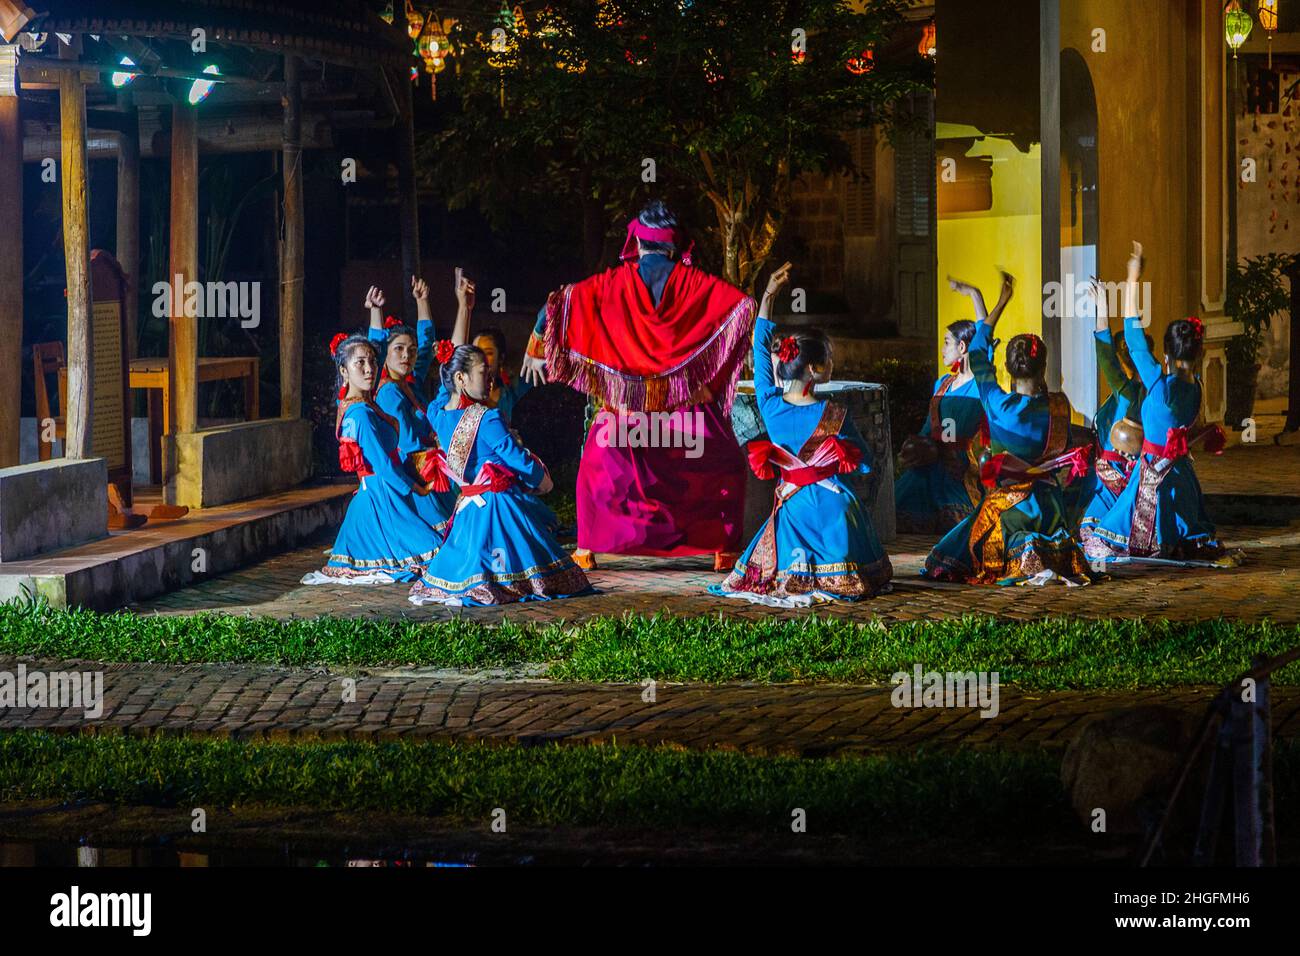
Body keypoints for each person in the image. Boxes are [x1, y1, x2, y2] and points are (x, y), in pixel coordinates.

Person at [520, 199, 756, 572]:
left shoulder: (613, 283)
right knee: (722, 462)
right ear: (674, 246)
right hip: (684, 412)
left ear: (637, 242)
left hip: (626, 413)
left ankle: (588, 547)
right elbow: (743, 308)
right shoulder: (694, 283)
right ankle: (722, 548)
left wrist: (536, 345)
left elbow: (558, 304)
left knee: (598, 468)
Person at [709, 263, 892, 605]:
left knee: (781, 533)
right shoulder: (835, 414)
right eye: (829, 360)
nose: (833, 364)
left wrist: (769, 294)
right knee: (850, 516)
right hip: (836, 510)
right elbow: (864, 461)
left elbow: (760, 346)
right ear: (813, 369)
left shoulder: (770, 404)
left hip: (793, 509)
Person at [922, 272, 1093, 586]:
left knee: (951, 552)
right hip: (1049, 505)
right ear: (1043, 367)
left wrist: (1001, 302)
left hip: (1007, 504)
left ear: (1009, 369)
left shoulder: (996, 402)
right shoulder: (1057, 406)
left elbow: (976, 352)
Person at [1081, 243, 1233, 565]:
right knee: (1181, 530)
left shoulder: (1160, 388)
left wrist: (1133, 277)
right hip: (1181, 474)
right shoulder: (1196, 389)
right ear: (1200, 353)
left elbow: (1134, 335)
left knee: (1106, 540)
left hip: (1151, 473)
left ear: (1164, 356)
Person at [408, 345, 592, 606]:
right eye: (483, 372)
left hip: (467, 510)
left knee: (473, 561)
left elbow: (443, 391)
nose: (491, 379)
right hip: (499, 505)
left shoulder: (437, 414)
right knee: (530, 565)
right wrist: (543, 481)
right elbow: (518, 459)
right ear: (461, 378)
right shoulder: (487, 418)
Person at [302, 334, 444, 585]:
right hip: (383, 495)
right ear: (344, 371)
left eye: (372, 362)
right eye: (360, 363)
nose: (369, 369)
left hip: (382, 490)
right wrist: (418, 487)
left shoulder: (360, 405)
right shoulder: (361, 414)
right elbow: (384, 466)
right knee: (435, 553)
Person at [364, 274, 474, 536]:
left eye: (410, 351)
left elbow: (427, 347)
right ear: (386, 355)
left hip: (431, 465)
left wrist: (423, 301)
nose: (407, 356)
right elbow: (411, 447)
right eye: (399, 349)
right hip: (414, 475)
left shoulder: (410, 384)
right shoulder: (388, 391)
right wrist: (376, 312)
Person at [893, 305, 995, 534]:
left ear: (962, 346)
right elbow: (929, 426)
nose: (942, 349)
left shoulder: (981, 386)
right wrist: (915, 446)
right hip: (930, 457)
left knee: (956, 518)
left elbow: (984, 344)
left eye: (947, 342)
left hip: (959, 464)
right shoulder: (942, 384)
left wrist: (976, 297)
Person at [1075, 276, 1148, 533]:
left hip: (1113, 475)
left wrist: (1102, 308)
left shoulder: (1127, 391)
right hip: (1130, 473)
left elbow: (1104, 355)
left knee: (1092, 532)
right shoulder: (1155, 390)